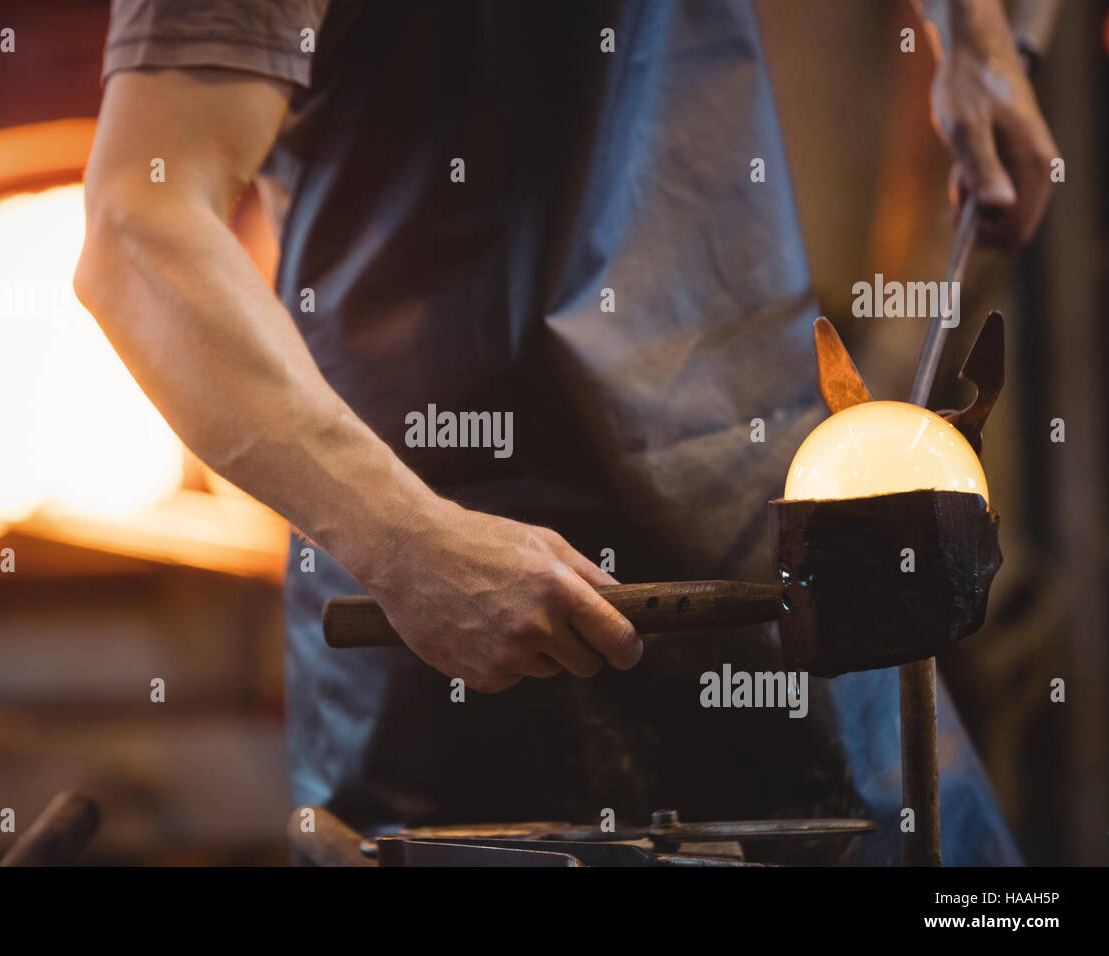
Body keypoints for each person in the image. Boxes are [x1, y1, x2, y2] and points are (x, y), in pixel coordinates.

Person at [76, 0, 1057, 864]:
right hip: (455, 610)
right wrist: (404, 536)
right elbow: (139, 225)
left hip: (756, 528)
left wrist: (972, 32)